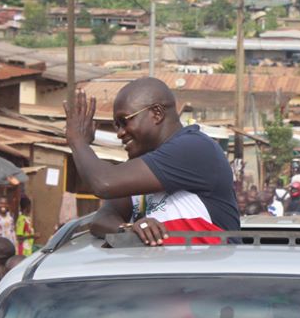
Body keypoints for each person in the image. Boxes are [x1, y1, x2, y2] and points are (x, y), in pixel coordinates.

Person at [66, 81, 240, 246]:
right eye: (116, 125)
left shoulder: (193, 148)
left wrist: (78, 142)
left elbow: (103, 183)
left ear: (157, 113)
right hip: (168, 274)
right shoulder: (146, 163)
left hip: (210, 274)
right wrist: (126, 229)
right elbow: (103, 218)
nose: (119, 133)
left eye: (124, 121)